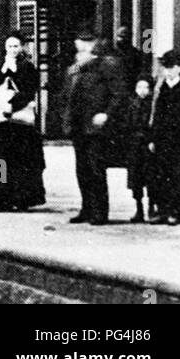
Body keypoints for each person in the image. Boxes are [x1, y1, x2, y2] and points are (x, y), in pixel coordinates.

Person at [63, 30, 126, 225]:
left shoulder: (107, 65)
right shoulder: (74, 68)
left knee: (96, 168)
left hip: (96, 127)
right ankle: (87, 208)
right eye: (80, 41)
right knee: (82, 169)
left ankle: (100, 211)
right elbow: (66, 96)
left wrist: (106, 114)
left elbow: (119, 93)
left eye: (88, 42)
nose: (83, 46)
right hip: (78, 125)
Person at [0, 31, 46, 212]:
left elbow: (28, 91)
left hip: (19, 122)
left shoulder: (27, 67)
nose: (12, 50)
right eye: (9, 46)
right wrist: (3, 73)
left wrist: (12, 105)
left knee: (20, 161)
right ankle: (1, 195)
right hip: (1, 121)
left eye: (16, 46)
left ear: (22, 48)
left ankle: (21, 197)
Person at [148, 50, 180, 226]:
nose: (167, 71)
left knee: (176, 176)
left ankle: (174, 211)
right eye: (165, 67)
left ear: (179, 68)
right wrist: (152, 138)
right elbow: (154, 114)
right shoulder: (160, 87)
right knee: (160, 175)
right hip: (162, 140)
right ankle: (161, 210)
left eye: (170, 67)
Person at [124, 76, 154, 224]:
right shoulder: (131, 104)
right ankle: (139, 208)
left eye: (145, 87)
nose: (142, 91)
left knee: (151, 177)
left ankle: (151, 207)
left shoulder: (152, 104)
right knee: (136, 179)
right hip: (134, 145)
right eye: (139, 87)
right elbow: (126, 123)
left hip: (148, 144)